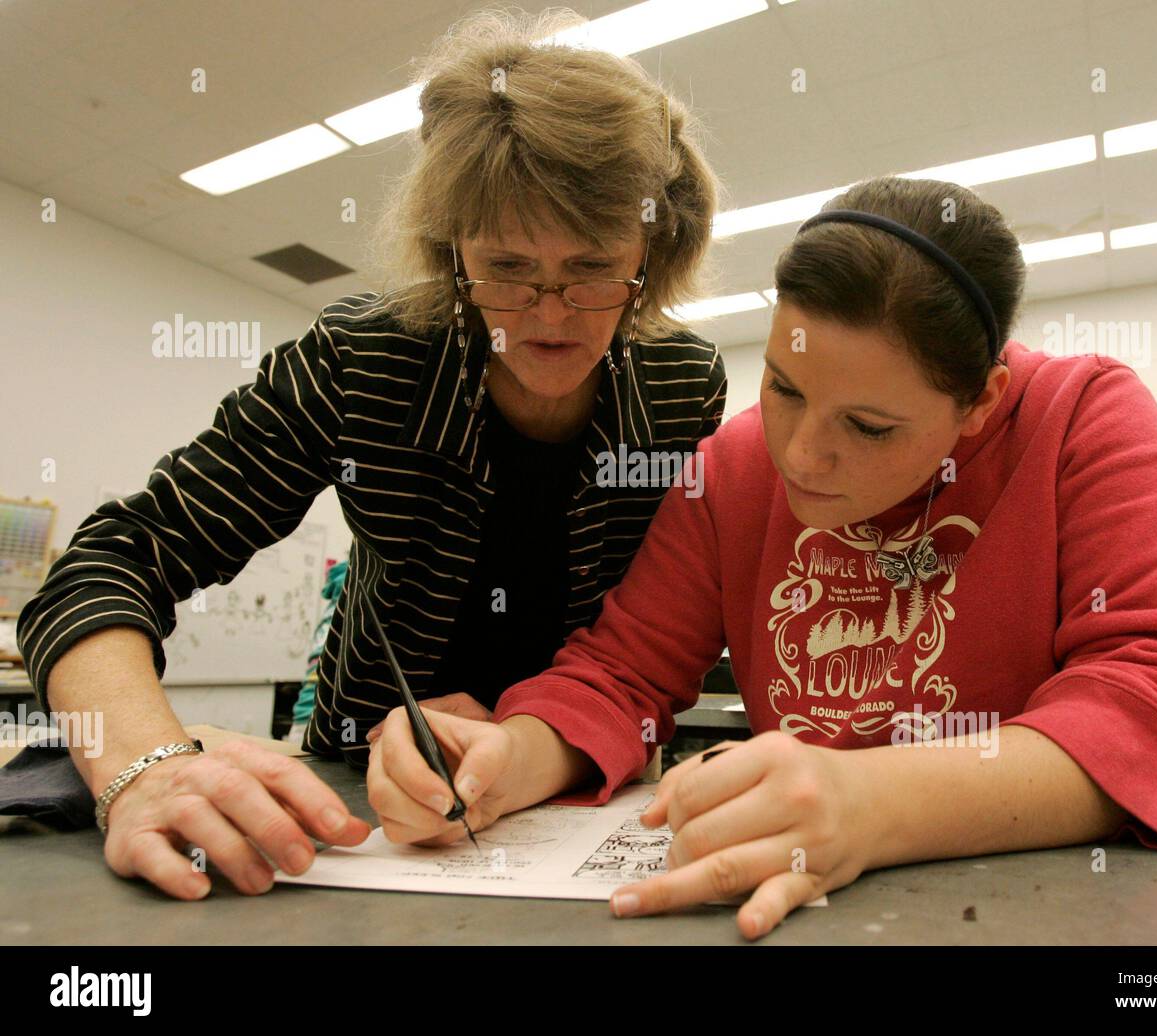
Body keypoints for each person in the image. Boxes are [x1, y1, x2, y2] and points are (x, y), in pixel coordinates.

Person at [370, 175, 1157, 940]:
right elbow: (619, 675)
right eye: (785, 389)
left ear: (983, 403)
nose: (799, 455)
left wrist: (876, 802)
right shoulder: (733, 466)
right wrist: (503, 758)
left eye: (870, 427)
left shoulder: (1082, 419)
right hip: (793, 909)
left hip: (1036, 912)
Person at [15, 8, 726, 901]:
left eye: (592, 269)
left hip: (581, 783)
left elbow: (660, 635)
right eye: (505, 267)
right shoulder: (363, 361)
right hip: (363, 786)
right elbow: (114, 558)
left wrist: (530, 737)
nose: (549, 317)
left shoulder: (680, 385)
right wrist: (142, 765)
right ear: (449, 249)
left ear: (654, 253)